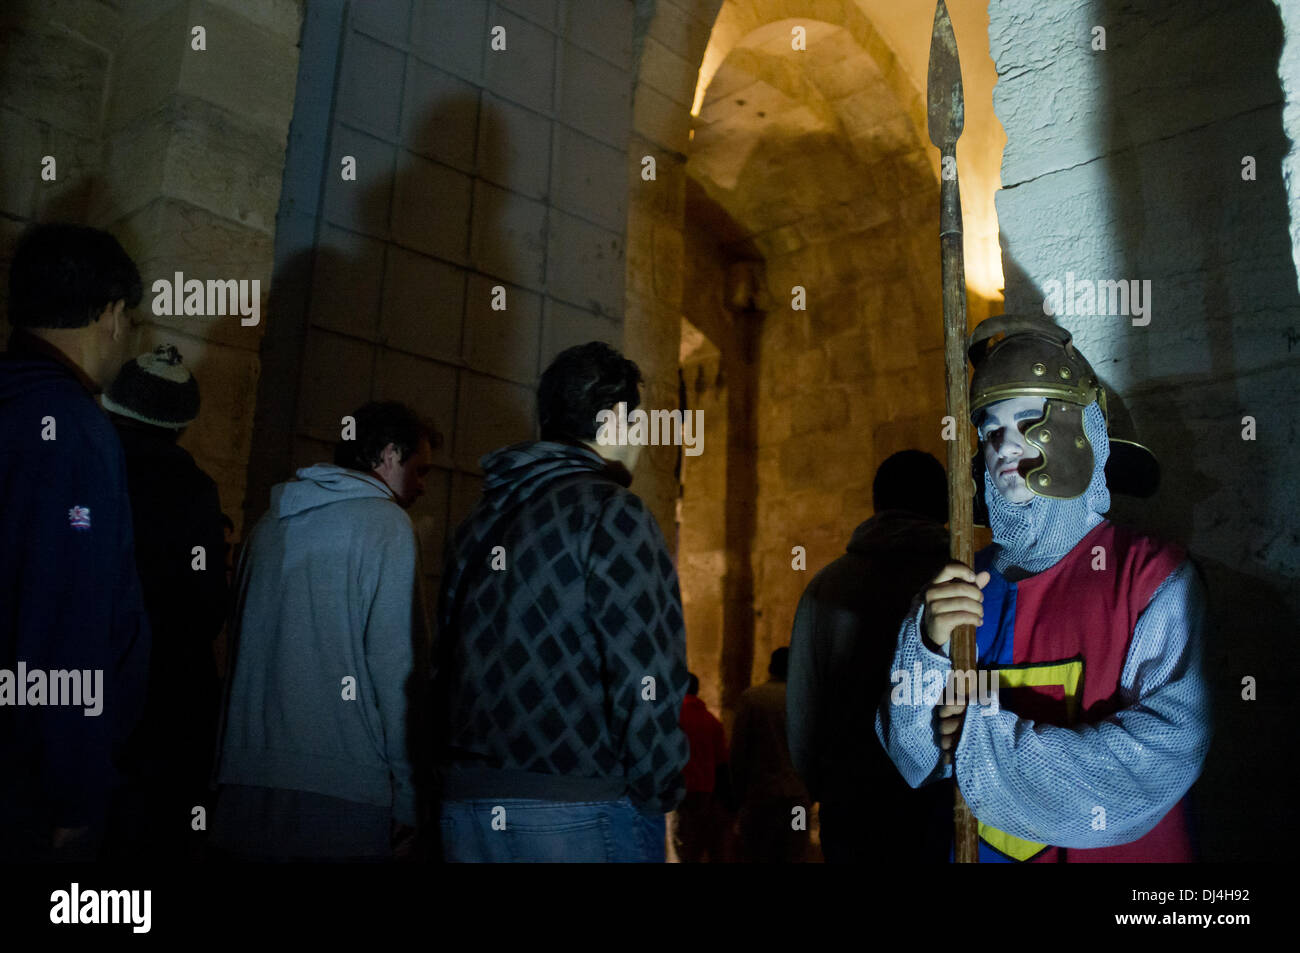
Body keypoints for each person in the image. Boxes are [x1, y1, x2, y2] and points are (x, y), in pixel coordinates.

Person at [877, 315, 1211, 862]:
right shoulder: (956, 588)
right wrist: (927, 647)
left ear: (1088, 434)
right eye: (988, 430)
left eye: (1029, 418)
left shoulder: (1150, 578)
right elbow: (913, 760)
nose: (1004, 444)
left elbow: (1163, 753)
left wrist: (980, 739)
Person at [435, 341, 688, 863]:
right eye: (637, 423)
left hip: (466, 809)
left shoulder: (478, 521)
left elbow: (441, 667)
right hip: (577, 809)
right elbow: (647, 677)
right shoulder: (612, 513)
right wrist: (657, 791)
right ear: (616, 419)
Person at [211, 400, 436, 861]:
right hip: (342, 792)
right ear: (389, 455)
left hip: (242, 779)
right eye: (419, 469)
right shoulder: (387, 526)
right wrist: (412, 795)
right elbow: (399, 673)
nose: (422, 486)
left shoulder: (268, 524)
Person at [0, 223, 150, 861]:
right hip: (27, 793)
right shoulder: (76, 434)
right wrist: (75, 794)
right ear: (111, 314)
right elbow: (71, 617)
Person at [787, 450, 954, 863]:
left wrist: (822, 788)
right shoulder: (960, 580)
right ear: (946, 505)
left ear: (877, 503)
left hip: (852, 802)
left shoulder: (826, 588)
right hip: (939, 802)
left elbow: (803, 711)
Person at [98, 344, 228, 859]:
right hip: (168, 706)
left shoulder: (89, 469)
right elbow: (207, 606)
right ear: (182, 424)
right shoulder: (195, 491)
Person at [730, 647, 810, 862]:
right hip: (797, 800)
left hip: (761, 798)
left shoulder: (752, 699)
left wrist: (736, 799)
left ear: (770, 668)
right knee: (793, 854)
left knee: (758, 853)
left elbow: (739, 752)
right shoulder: (807, 702)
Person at [675, 672, 732, 863]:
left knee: (681, 849)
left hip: (677, 794)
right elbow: (722, 763)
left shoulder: (672, 718)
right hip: (704, 794)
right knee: (696, 847)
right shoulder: (711, 721)